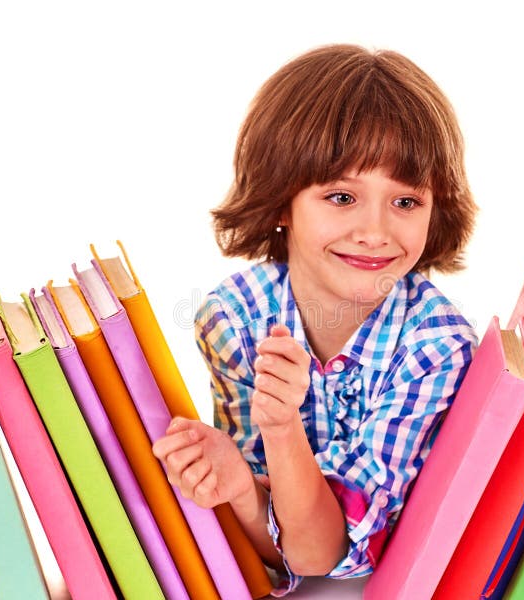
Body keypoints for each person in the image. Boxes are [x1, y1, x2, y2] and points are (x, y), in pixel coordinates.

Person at [152, 43, 478, 596]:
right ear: (282, 202)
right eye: (342, 196)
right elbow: (271, 545)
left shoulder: (437, 348)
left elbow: (326, 553)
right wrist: (236, 482)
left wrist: (282, 432)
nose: (375, 231)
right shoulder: (233, 318)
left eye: (405, 203)